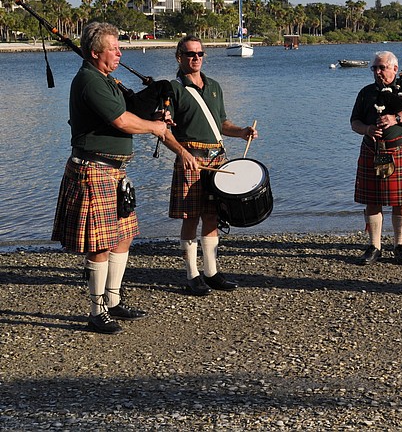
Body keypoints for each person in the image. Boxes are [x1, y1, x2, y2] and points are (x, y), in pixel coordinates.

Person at [52, 22, 170, 334]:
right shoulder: (89, 81)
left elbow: (129, 110)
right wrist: (155, 128)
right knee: (101, 244)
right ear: (95, 52)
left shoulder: (104, 79)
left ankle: (114, 300)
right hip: (93, 169)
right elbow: (121, 121)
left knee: (123, 236)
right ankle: (96, 310)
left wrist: (154, 114)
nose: (120, 53)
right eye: (113, 49)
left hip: (114, 171)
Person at [161, 36, 257, 296]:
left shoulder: (214, 86)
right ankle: (192, 275)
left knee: (213, 216)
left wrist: (243, 132)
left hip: (217, 159)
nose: (196, 58)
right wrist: (181, 153)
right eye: (190, 53)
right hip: (190, 159)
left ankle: (211, 272)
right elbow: (163, 131)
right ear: (179, 56)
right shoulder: (172, 88)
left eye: (200, 53)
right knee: (190, 218)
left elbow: (222, 124)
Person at [350, 51, 402, 265]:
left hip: (399, 148)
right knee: (372, 201)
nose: (377, 72)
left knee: (401, 202)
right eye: (374, 68)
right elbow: (354, 122)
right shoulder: (366, 93)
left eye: (381, 68)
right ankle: (374, 247)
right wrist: (366, 129)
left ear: (394, 69)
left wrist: (397, 117)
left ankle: (399, 246)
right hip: (372, 150)